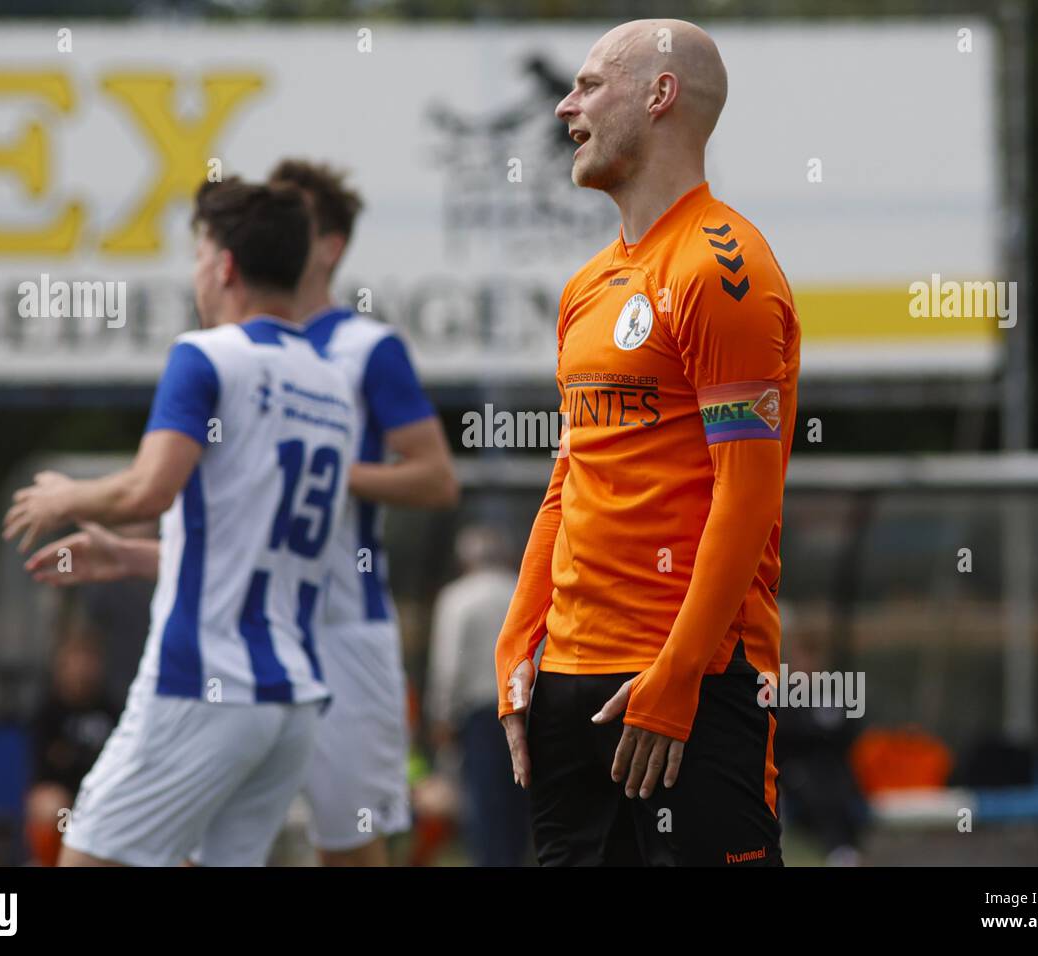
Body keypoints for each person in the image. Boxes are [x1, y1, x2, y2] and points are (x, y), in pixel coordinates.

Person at [493, 19, 801, 866]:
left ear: (660, 96)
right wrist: (519, 643)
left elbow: (748, 492)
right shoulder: (587, 286)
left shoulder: (722, 268)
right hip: (568, 686)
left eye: (590, 85)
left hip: (690, 685)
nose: (565, 106)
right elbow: (569, 480)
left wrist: (678, 680)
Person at [5, 177, 356, 866]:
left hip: (203, 683)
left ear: (223, 264)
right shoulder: (331, 383)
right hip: (289, 698)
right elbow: (255, 549)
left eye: (198, 252)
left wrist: (63, 497)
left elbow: (148, 490)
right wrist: (131, 557)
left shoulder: (205, 354)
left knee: (84, 858)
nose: (195, 269)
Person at [267, 159, 459, 866]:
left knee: (348, 845)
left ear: (331, 245)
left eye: (296, 220)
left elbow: (436, 478)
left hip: (344, 628)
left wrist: (323, 473)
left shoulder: (365, 348)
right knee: (206, 838)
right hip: (249, 622)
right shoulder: (239, 345)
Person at [427, 525, 528, 866]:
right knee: (519, 795)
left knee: (485, 800)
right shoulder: (522, 589)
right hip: (524, 706)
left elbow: (448, 663)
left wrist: (441, 714)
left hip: (480, 713)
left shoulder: (457, 597)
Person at [24, 630, 120, 866]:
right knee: (51, 806)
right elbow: (48, 766)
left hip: (103, 799)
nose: (83, 669)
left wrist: (73, 756)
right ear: (63, 666)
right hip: (67, 803)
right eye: (77, 661)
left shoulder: (111, 709)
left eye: (89, 661)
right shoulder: (49, 712)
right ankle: (51, 861)